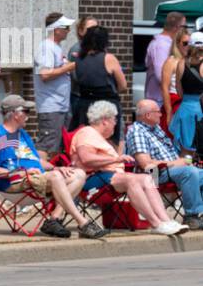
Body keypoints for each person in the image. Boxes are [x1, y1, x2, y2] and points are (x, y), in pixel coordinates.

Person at [0, 96, 105, 239]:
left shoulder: (22, 134)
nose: (28, 115)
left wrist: (54, 168)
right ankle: (83, 222)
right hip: (14, 182)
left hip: (38, 178)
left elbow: (36, 161)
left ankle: (54, 219)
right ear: (15, 114)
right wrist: (20, 172)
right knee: (56, 178)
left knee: (79, 174)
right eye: (26, 111)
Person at [71, 100, 183, 235]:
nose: (115, 125)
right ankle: (156, 224)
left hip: (110, 176)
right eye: (114, 120)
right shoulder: (87, 132)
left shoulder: (99, 137)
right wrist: (116, 158)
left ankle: (166, 220)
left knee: (147, 179)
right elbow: (86, 158)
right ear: (105, 120)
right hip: (93, 179)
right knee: (133, 180)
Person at [126, 99, 203, 230]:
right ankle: (192, 216)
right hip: (155, 173)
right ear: (148, 115)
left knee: (196, 171)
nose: (161, 114)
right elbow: (145, 163)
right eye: (158, 112)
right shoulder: (137, 131)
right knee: (190, 173)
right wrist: (176, 163)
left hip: (172, 169)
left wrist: (185, 161)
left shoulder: (155, 129)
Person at [68, 26, 127, 145]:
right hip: (107, 104)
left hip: (85, 104)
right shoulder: (109, 58)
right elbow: (123, 85)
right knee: (110, 140)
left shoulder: (78, 59)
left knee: (87, 140)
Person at [33, 13, 75, 156]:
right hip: (51, 106)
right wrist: (68, 67)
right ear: (57, 29)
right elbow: (44, 74)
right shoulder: (46, 47)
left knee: (57, 147)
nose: (69, 31)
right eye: (66, 27)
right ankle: (39, 176)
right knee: (47, 145)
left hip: (60, 106)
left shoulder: (55, 47)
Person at [144, 11, 186, 112]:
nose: (185, 30)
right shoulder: (161, 45)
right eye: (184, 26)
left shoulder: (167, 43)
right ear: (177, 27)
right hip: (159, 101)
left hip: (164, 99)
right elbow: (161, 76)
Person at [168, 38, 203, 151]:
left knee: (184, 148)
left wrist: (187, 99)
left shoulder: (181, 62)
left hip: (184, 108)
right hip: (199, 110)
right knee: (197, 146)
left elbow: (179, 89)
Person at [159, 27, 190, 131]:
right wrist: (169, 112)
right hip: (174, 102)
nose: (188, 46)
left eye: (190, 43)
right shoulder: (171, 61)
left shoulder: (192, 61)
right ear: (177, 43)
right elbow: (164, 87)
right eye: (185, 43)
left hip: (188, 103)